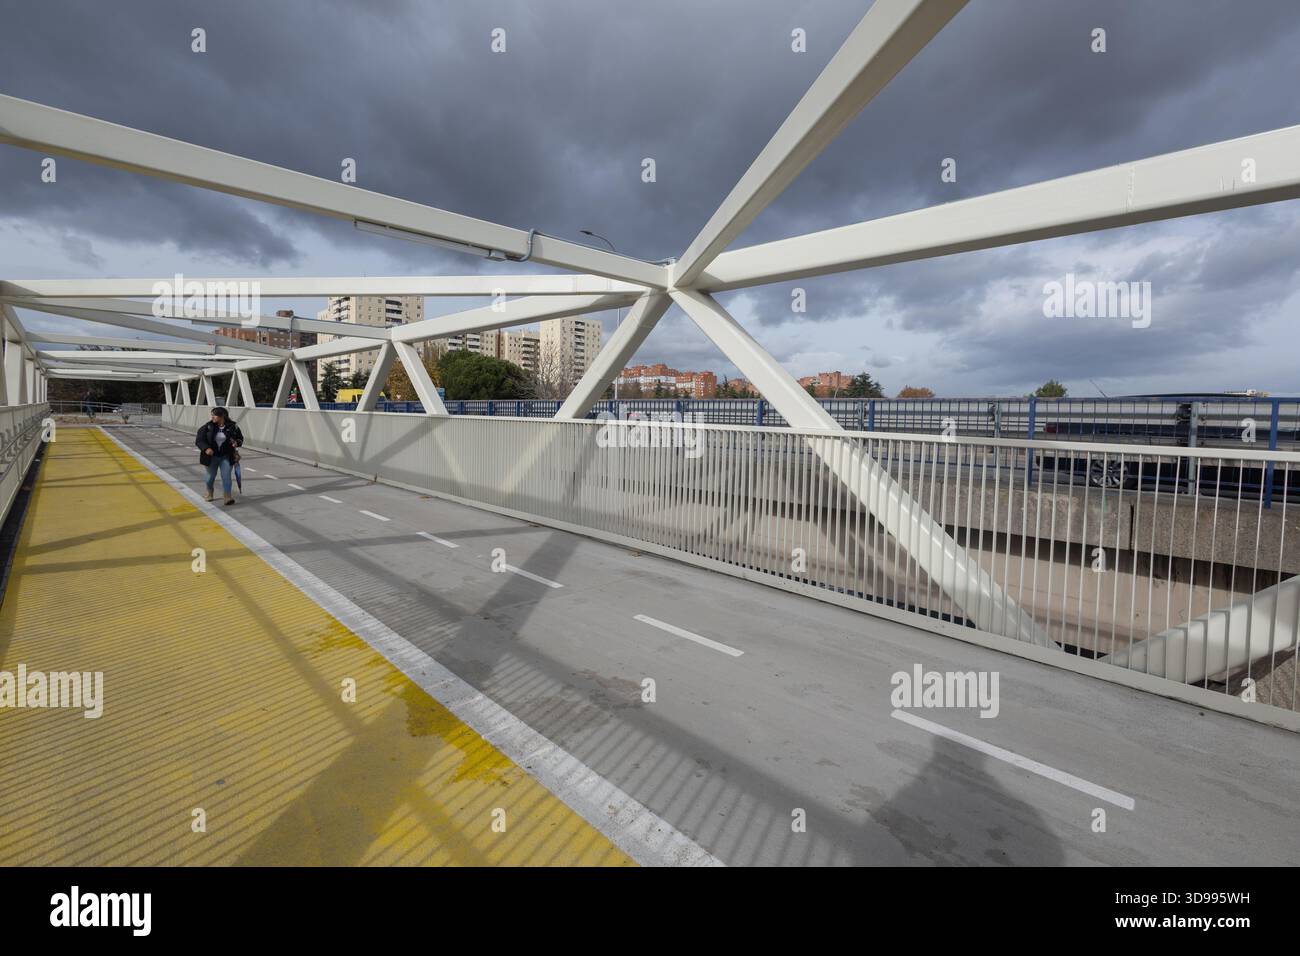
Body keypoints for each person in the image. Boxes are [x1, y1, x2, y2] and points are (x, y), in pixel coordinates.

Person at [194, 407, 244, 505]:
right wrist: (206, 448)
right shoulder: (207, 427)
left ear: (222, 416)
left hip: (226, 456)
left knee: (226, 477)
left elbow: (240, 438)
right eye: (211, 415)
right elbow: (199, 440)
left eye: (214, 415)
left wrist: (237, 443)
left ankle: (227, 497)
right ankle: (209, 491)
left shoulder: (233, 427)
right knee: (210, 477)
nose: (212, 417)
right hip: (211, 457)